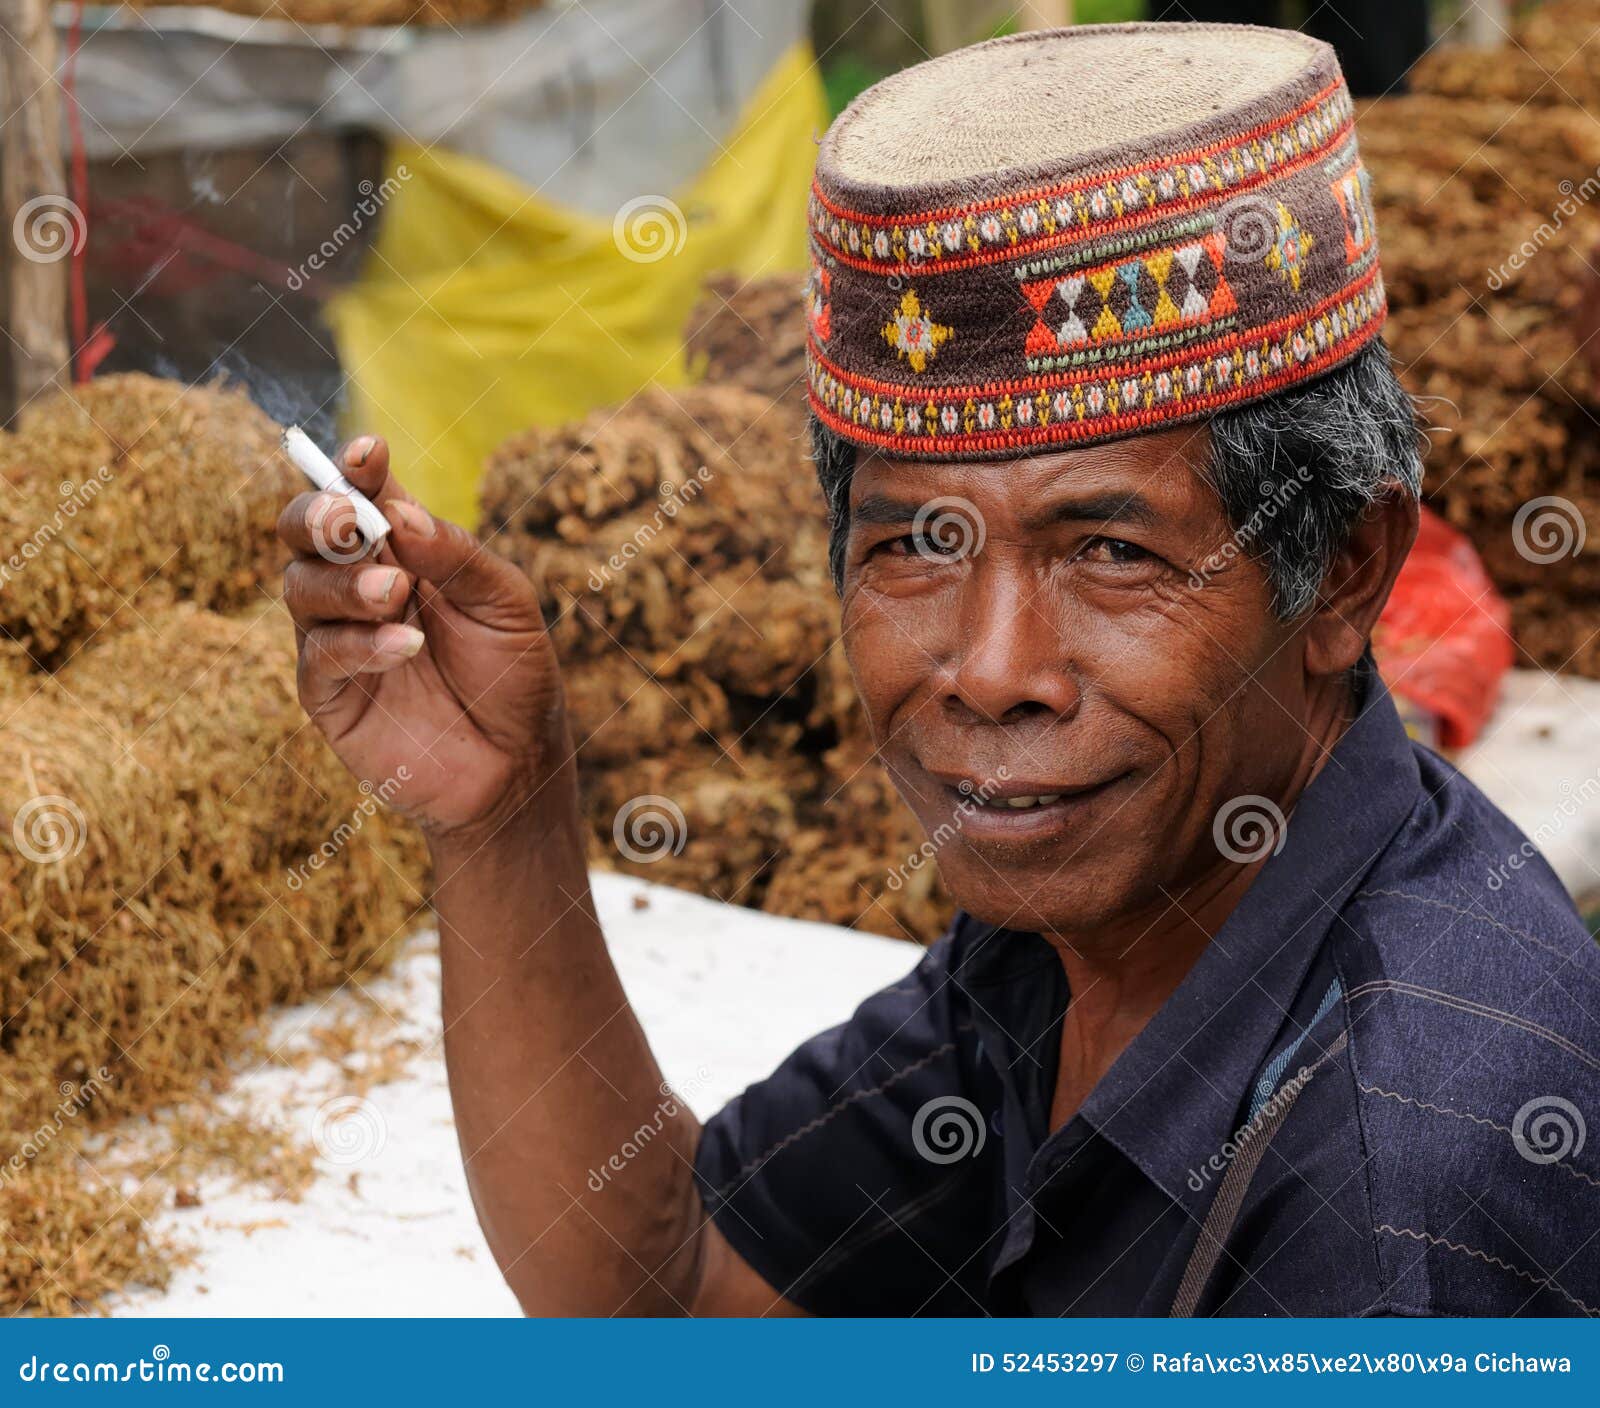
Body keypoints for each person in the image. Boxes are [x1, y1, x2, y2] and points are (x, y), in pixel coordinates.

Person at [277, 24, 1600, 1316]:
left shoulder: (1390, 1202)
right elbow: (677, 1288)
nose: (989, 669)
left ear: (1345, 571)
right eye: (916, 543)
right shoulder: (1101, 923)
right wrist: (505, 817)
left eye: (1111, 552)